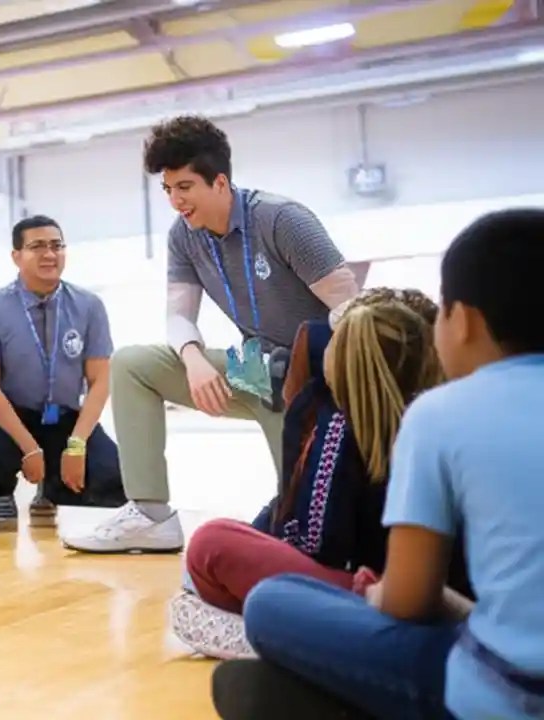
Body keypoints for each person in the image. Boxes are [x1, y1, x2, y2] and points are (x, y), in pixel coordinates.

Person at [227, 208, 544, 720]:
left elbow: (409, 601)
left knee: (271, 604)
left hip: (497, 692)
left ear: (464, 321)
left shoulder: (438, 415)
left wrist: (378, 597)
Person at [65, 114, 361, 554]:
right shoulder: (184, 237)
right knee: (133, 364)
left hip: (316, 379)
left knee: (304, 527)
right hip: (254, 369)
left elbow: (353, 311)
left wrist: (327, 382)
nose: (175, 201)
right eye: (167, 189)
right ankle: (150, 514)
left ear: (220, 183)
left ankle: (293, 505)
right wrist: (195, 359)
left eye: (185, 187)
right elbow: (178, 315)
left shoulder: (282, 221)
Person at [172, 288, 444, 660]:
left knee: (210, 545)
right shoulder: (424, 415)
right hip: (420, 593)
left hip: (383, 595)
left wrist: (267, 548)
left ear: (346, 353)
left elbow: (318, 544)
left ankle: (294, 637)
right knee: (226, 552)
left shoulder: (338, 422)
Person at [0, 215, 127, 531]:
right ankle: (0, 494)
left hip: (64, 419)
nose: (49, 254)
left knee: (113, 477)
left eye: (57, 246)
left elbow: (101, 381)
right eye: (37, 246)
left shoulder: (89, 306)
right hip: (8, 418)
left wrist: (76, 445)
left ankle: (52, 492)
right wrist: (29, 448)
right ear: (16, 256)